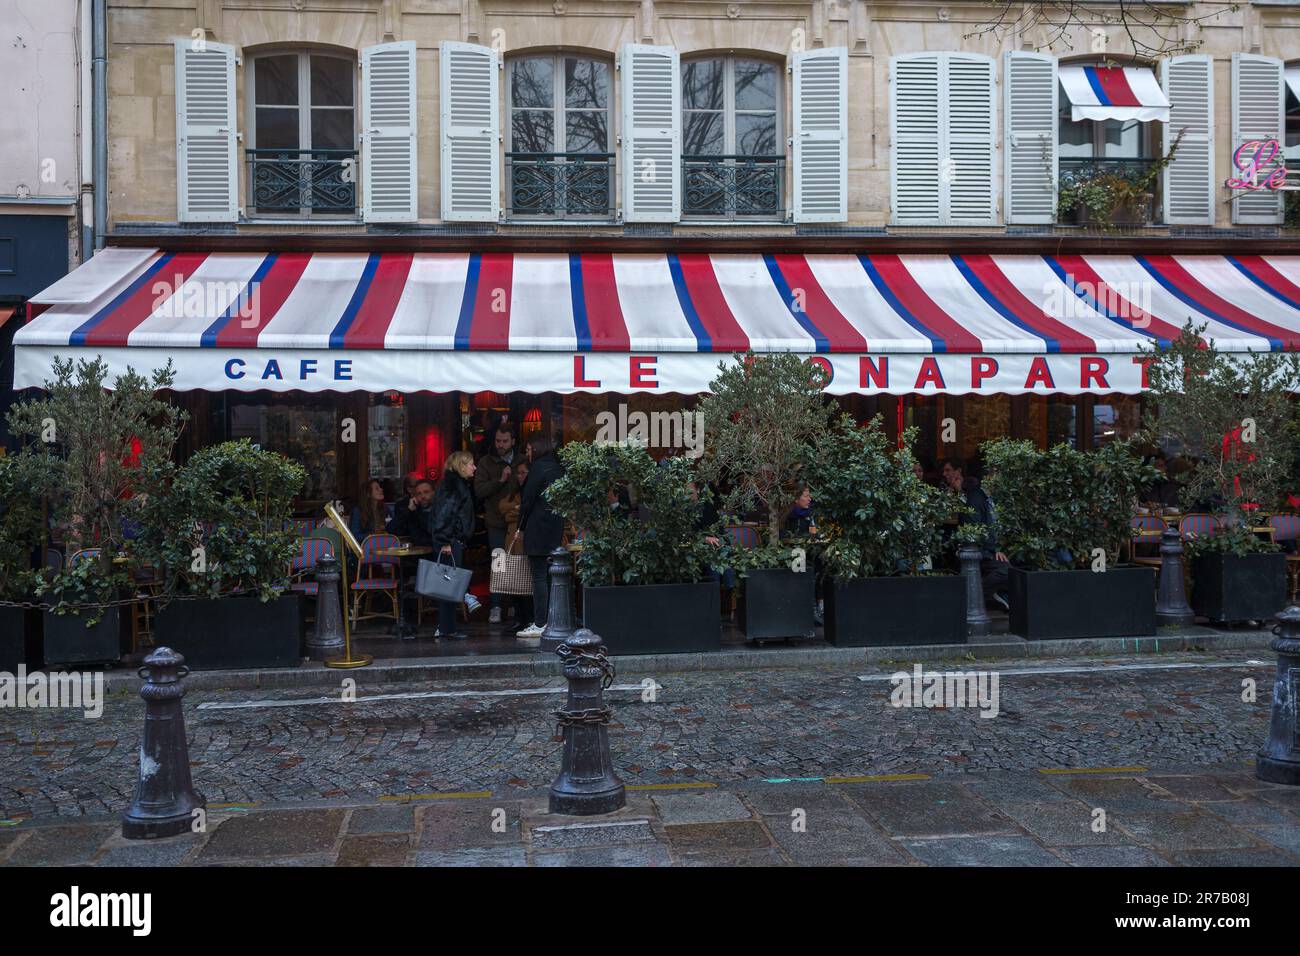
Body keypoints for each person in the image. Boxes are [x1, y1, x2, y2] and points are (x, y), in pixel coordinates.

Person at [514, 434, 564, 642]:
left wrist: (520, 527)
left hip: (537, 526)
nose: (527, 454)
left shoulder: (537, 468)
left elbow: (527, 500)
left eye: (528, 450)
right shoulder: (557, 467)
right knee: (554, 575)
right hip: (554, 526)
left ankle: (540, 622)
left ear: (536, 449)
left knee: (538, 576)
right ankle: (554, 619)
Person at [942, 458, 1010, 611]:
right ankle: (978, 595)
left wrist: (998, 546)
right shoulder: (974, 497)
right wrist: (994, 548)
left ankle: (993, 594)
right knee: (1006, 571)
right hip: (980, 550)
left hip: (987, 548)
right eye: (994, 474)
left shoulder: (980, 496)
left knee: (1011, 570)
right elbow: (975, 528)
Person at [429, 451, 478, 640]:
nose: (474, 468)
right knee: (448, 585)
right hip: (450, 542)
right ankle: (446, 628)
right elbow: (444, 515)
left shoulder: (455, 484)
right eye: (471, 464)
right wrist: (444, 541)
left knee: (449, 584)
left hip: (453, 540)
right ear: (461, 465)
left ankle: (447, 627)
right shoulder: (453, 485)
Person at [473, 424, 519, 624]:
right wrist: (500, 481)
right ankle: (497, 605)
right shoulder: (485, 462)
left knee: (517, 562)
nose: (501, 445)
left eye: (505, 441)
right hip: (496, 521)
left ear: (513, 441)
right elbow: (479, 491)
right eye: (498, 441)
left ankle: (516, 606)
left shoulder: (521, 461)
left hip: (517, 520)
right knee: (499, 562)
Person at [781, 483, 823, 625]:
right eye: (806, 496)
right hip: (795, 552)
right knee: (801, 566)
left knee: (821, 565)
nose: (810, 499)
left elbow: (815, 534)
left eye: (809, 496)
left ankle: (819, 607)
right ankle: (806, 608)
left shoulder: (810, 514)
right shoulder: (789, 517)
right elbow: (786, 538)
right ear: (796, 499)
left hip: (811, 550)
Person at [497, 459, 533, 624]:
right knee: (513, 582)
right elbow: (503, 508)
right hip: (512, 542)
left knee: (527, 583)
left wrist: (517, 511)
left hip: (526, 540)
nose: (520, 476)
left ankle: (529, 619)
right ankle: (519, 618)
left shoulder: (533, 490)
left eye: (523, 472)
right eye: (518, 473)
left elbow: (528, 513)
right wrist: (517, 511)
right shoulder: (514, 492)